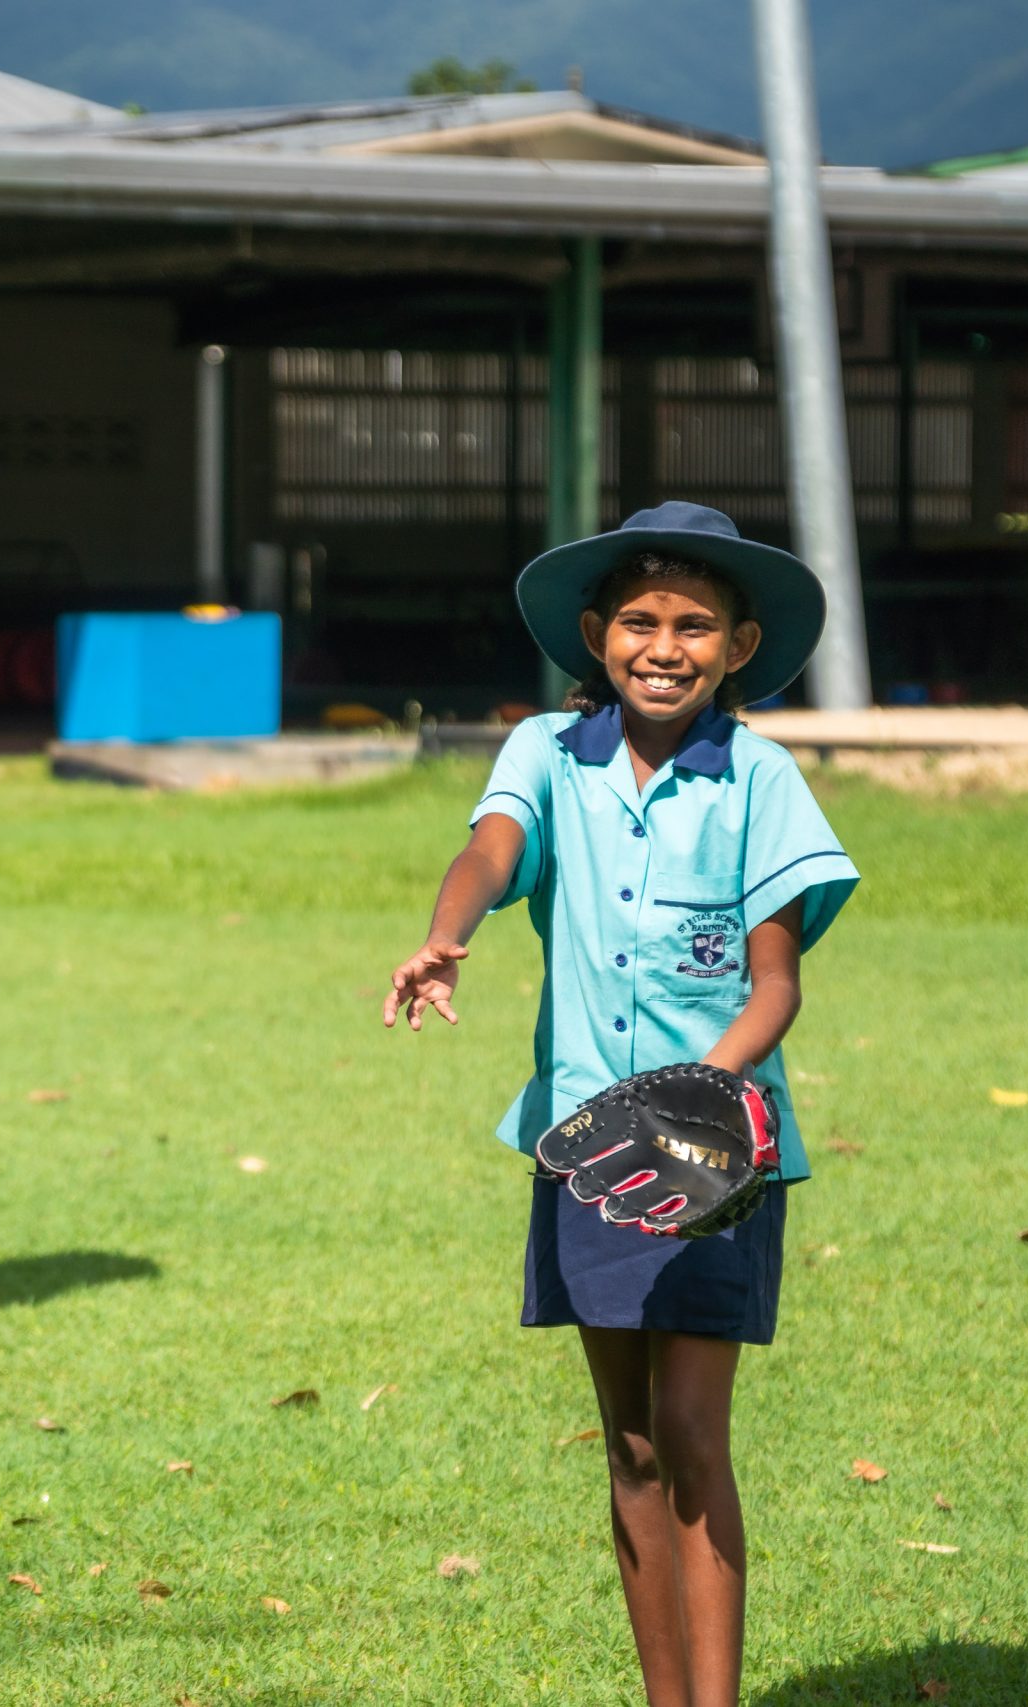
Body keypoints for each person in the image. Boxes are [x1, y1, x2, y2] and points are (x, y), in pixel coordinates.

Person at [383, 502, 860, 1707]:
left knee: (694, 1432)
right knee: (634, 1444)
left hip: (718, 1155)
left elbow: (776, 984)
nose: (665, 645)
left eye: (694, 625)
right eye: (639, 622)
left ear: (738, 646)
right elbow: (491, 850)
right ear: (595, 635)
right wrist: (447, 934)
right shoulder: (545, 751)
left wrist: (709, 1089)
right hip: (589, 1148)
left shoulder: (759, 775)